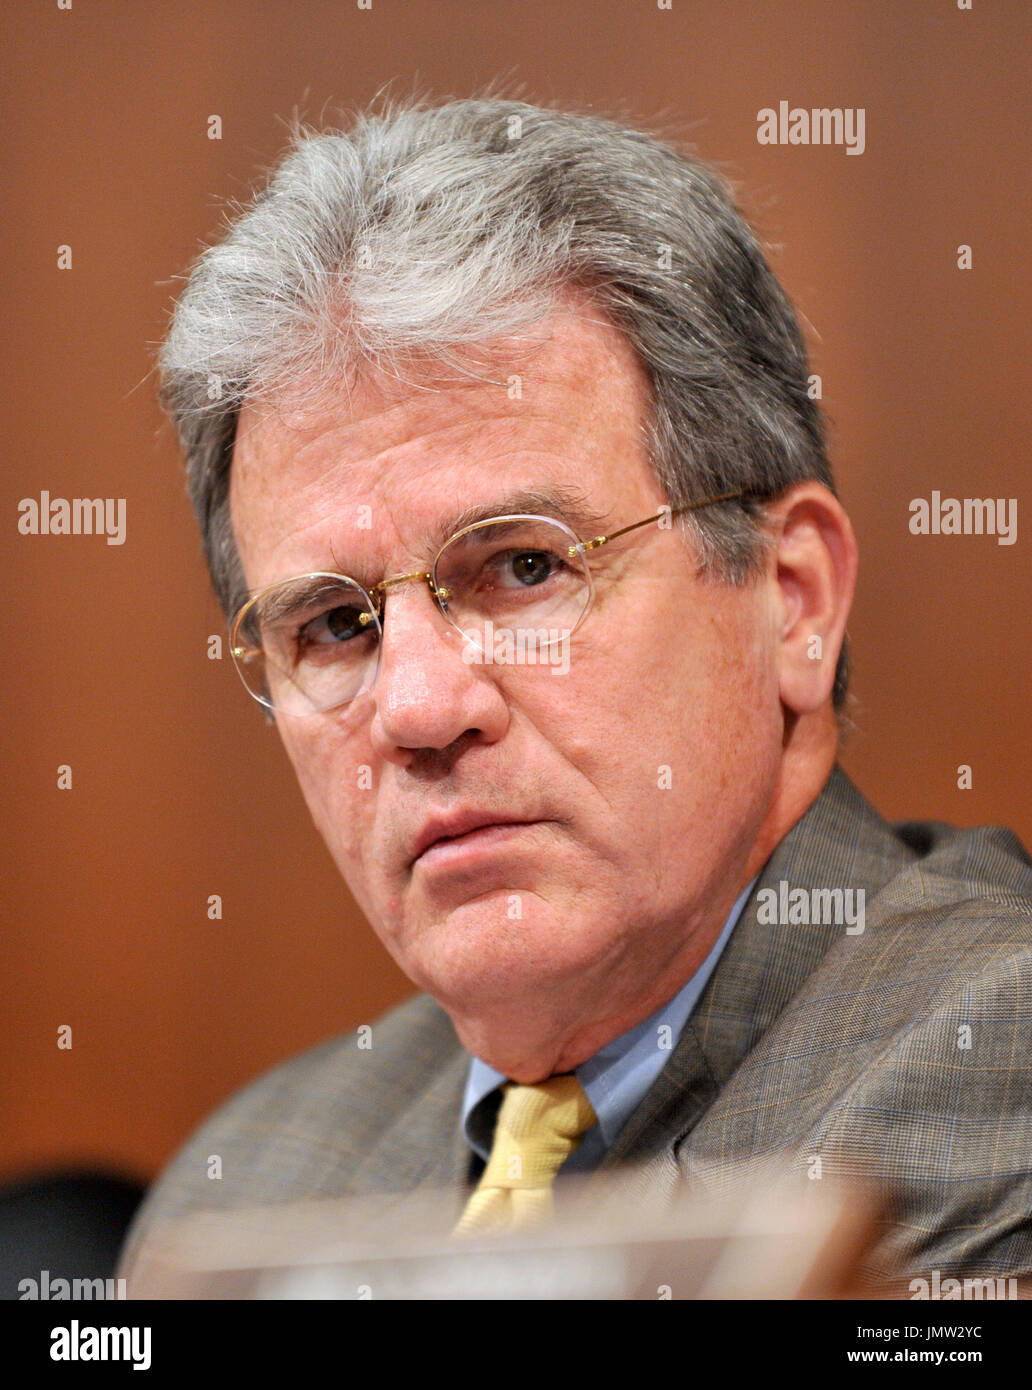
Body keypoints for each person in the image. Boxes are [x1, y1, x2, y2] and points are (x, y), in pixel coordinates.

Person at [118, 95, 1032, 1291]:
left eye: (523, 567)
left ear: (793, 598)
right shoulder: (256, 1173)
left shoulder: (991, 1070)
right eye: (336, 624)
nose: (417, 710)